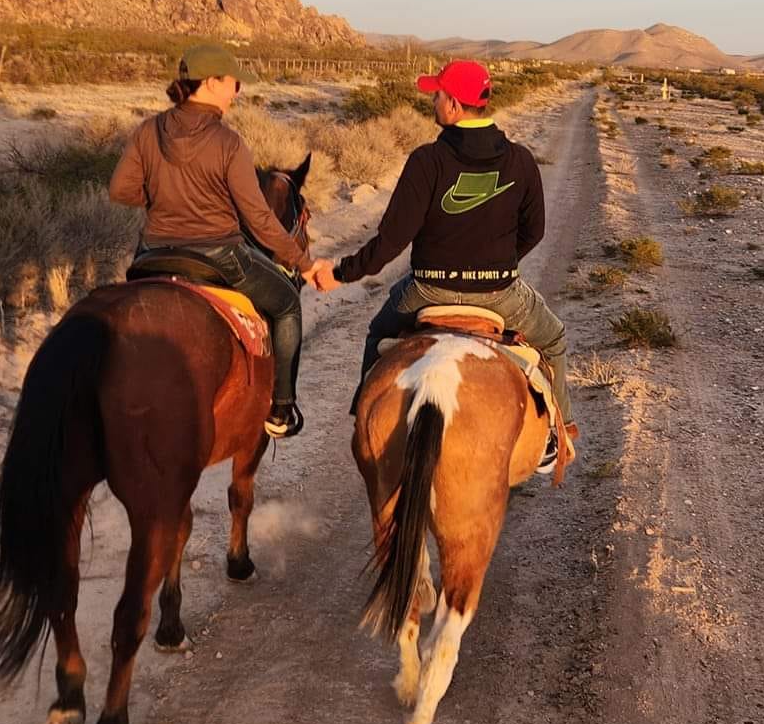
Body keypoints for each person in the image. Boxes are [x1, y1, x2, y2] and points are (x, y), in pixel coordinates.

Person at [311, 59, 573, 472]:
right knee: (553, 340)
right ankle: (555, 437)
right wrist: (496, 266)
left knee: (378, 333)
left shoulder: (427, 161)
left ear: (453, 104)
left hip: (427, 292)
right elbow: (534, 231)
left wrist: (340, 272)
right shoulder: (520, 160)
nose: (433, 101)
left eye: (436, 95)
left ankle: (365, 424)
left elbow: (390, 242)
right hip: (499, 292)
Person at [109, 40, 313, 438]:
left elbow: (120, 191)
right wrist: (303, 263)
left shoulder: (148, 131)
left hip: (152, 254)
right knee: (287, 303)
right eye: (235, 82)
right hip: (218, 254)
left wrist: (163, 196)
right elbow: (258, 218)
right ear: (213, 82)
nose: (239, 91)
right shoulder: (228, 142)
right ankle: (282, 409)